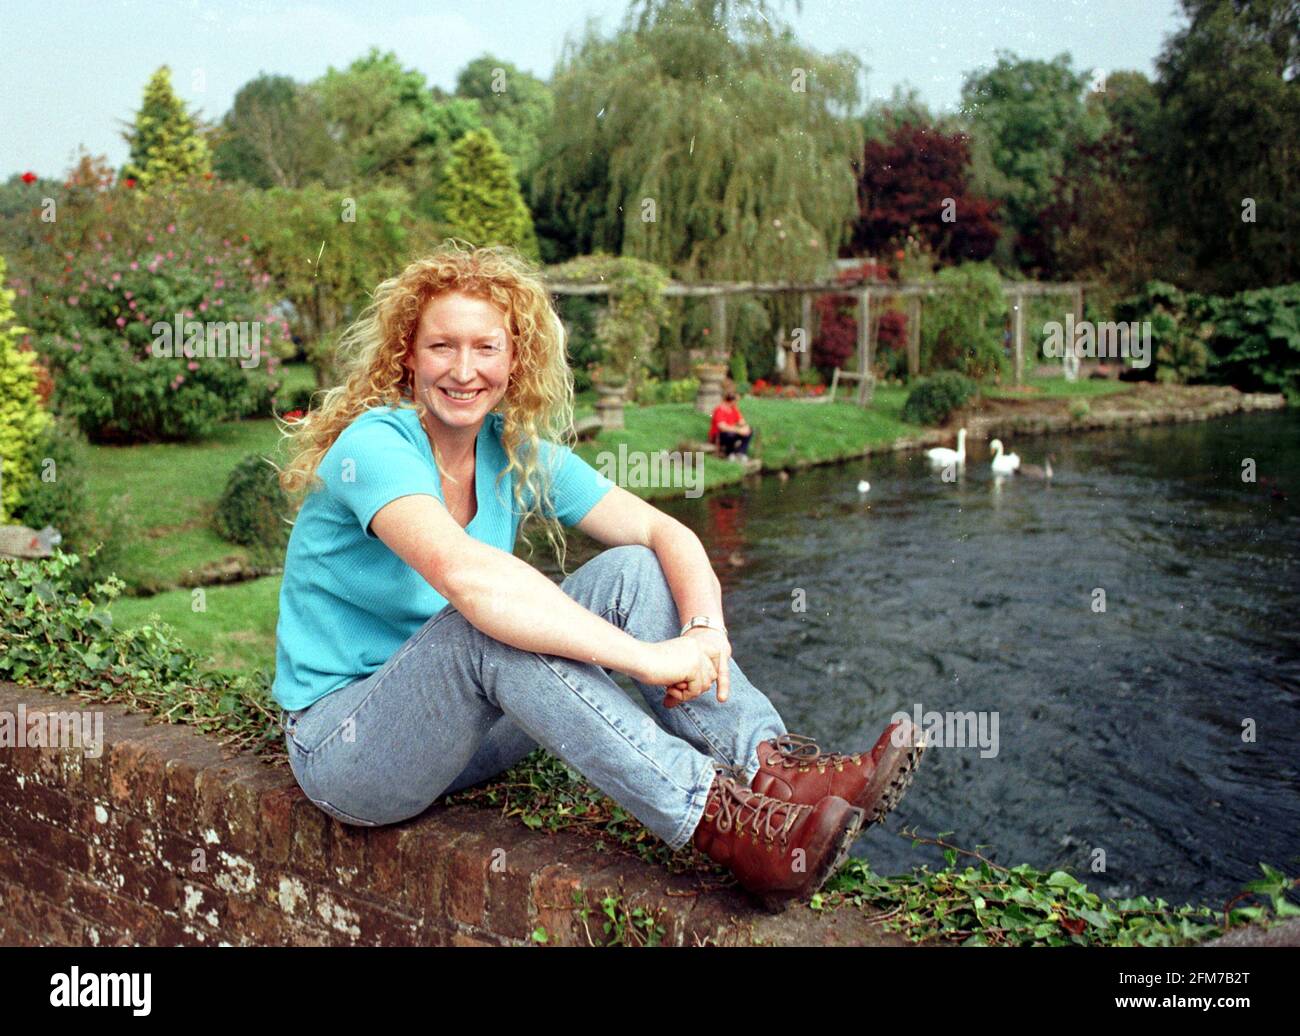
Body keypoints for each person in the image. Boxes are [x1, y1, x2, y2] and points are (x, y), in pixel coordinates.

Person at [271, 242, 925, 910]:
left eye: (486, 348)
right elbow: (470, 581)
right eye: (442, 347)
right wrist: (647, 659)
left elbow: (663, 533)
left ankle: (770, 769)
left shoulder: (513, 451)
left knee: (633, 571)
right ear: (409, 354)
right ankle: (723, 826)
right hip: (349, 750)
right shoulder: (376, 444)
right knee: (489, 628)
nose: (463, 370)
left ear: (515, 359)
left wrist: (704, 632)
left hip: (467, 740)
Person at [709, 382, 752, 461]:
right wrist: (738, 430)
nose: (737, 403)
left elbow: (741, 421)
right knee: (730, 434)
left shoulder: (734, 409)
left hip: (732, 431)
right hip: (719, 435)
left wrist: (745, 427)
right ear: (731, 400)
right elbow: (722, 427)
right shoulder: (719, 410)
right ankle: (730, 453)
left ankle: (741, 452)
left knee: (749, 430)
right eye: (736, 400)